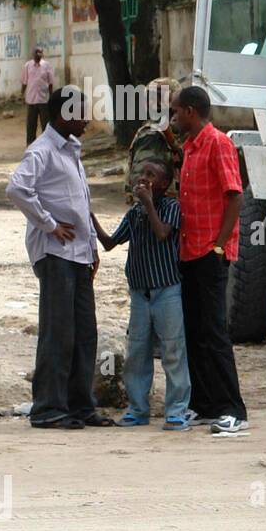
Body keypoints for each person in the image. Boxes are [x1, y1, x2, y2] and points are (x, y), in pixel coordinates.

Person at [5, 86, 112, 429]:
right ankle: (48, 407)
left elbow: (81, 203)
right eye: (81, 113)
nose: (86, 120)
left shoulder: (71, 150)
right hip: (56, 254)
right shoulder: (42, 151)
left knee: (84, 332)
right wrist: (49, 225)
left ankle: (80, 405)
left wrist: (92, 246)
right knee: (58, 331)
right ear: (63, 114)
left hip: (79, 255)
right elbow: (17, 188)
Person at [168, 86, 249, 436]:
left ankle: (233, 409)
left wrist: (219, 246)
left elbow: (234, 197)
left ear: (190, 111)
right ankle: (204, 405)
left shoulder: (218, 143)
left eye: (175, 111)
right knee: (195, 330)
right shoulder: (189, 147)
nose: (172, 117)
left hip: (210, 253)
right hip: (190, 251)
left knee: (214, 331)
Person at [92, 159, 191, 431]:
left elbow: (162, 234)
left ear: (164, 184)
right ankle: (137, 409)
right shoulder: (134, 213)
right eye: (142, 173)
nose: (143, 178)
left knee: (173, 350)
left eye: (151, 175)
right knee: (137, 351)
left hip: (166, 290)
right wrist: (91, 219)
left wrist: (148, 204)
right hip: (139, 292)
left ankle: (177, 411)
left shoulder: (170, 208)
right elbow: (111, 243)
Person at [21, 46, 55, 145]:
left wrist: (51, 96)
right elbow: (24, 82)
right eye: (37, 52)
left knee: (45, 123)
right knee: (31, 124)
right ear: (33, 54)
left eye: (40, 52)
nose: (39, 54)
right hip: (31, 100)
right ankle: (30, 143)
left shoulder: (46, 66)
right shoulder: (27, 66)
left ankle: (47, 143)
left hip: (43, 99)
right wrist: (21, 94)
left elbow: (50, 82)